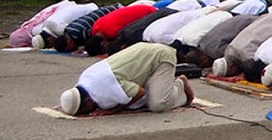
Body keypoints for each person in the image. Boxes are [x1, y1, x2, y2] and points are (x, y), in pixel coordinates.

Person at [58, 42, 203, 116]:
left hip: (159, 58)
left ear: (87, 101)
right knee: (134, 102)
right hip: (143, 56)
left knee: (157, 105)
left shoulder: (104, 87)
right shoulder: (86, 80)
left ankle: (179, 85)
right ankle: (160, 84)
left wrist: (115, 109)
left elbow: (139, 92)